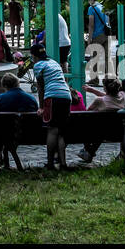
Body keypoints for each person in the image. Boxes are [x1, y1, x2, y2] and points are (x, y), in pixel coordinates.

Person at [30, 43, 71, 171]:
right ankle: (63, 163)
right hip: (66, 96)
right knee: (61, 131)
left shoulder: (38, 65)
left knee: (52, 130)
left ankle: (50, 163)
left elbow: (41, 88)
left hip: (52, 97)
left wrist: (41, 107)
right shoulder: (53, 62)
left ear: (33, 56)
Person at [0, 72, 38, 168]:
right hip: (29, 133)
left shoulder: (1, 98)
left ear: (4, 86)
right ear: (18, 83)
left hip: (4, 134)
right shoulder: (31, 99)